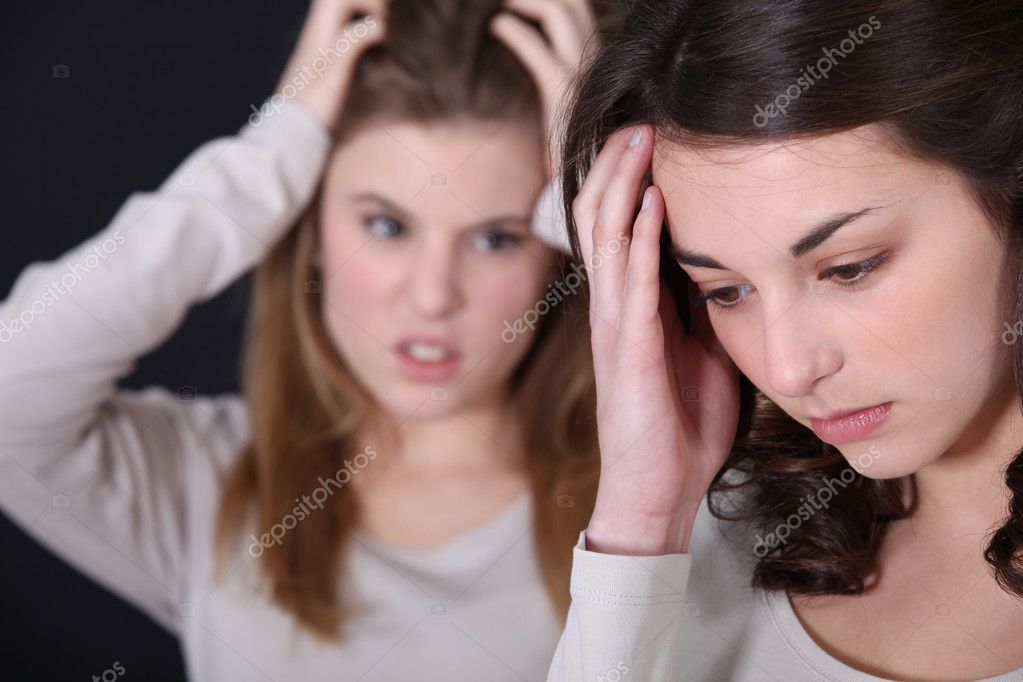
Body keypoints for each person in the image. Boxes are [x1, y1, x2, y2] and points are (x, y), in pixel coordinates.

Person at [0, 0, 613, 680]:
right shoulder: (206, 488)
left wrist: (601, 206)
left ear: (555, 248)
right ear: (309, 223)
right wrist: (273, 152)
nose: (433, 295)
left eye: (495, 238)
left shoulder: (649, 504)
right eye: (386, 227)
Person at [546, 0, 1023, 680]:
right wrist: (641, 519)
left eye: (849, 268)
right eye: (726, 292)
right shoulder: (694, 551)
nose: (788, 369)